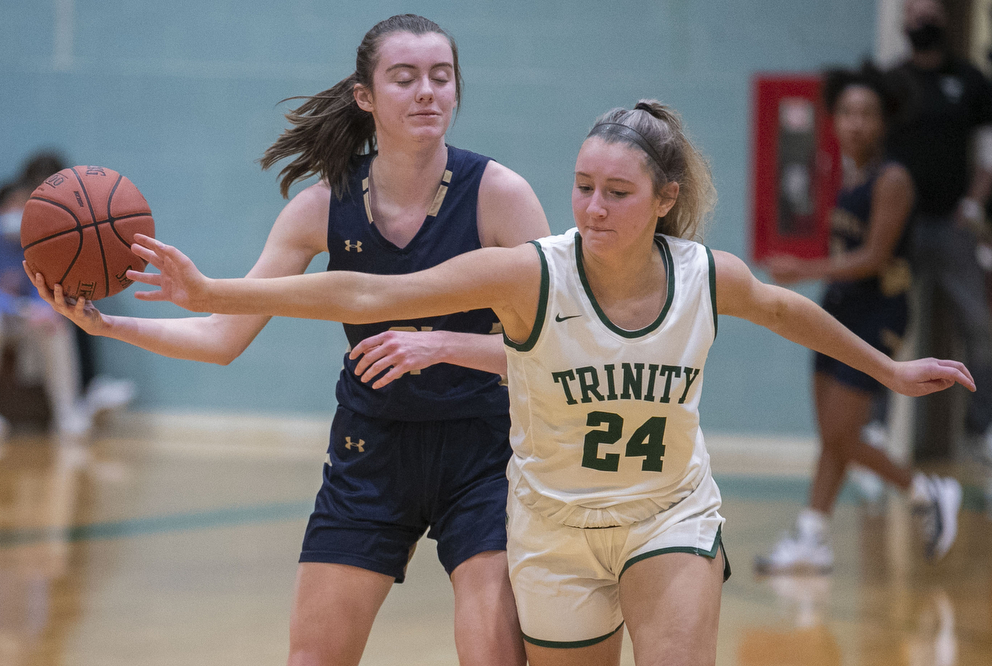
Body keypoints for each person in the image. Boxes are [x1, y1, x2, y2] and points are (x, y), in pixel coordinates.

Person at [77, 100, 974, 666]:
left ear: (665, 199)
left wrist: (890, 370)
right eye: (582, 187)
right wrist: (214, 292)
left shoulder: (707, 275)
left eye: (616, 192)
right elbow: (368, 293)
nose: (592, 208)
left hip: (667, 513)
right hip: (553, 527)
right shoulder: (531, 273)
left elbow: (785, 310)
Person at [27, 14, 548, 666]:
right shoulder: (321, 206)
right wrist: (108, 326)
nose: (427, 91)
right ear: (365, 95)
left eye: (441, 77)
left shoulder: (499, 196)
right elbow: (222, 338)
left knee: (492, 655)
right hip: (373, 447)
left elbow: (557, 350)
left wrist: (444, 346)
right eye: (405, 77)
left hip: (484, 450)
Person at [756, 64, 963, 575]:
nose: (855, 123)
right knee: (832, 434)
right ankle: (812, 537)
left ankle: (926, 490)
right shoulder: (850, 176)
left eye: (867, 113)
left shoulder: (893, 179)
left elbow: (873, 257)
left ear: (883, 121)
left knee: (844, 435)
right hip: (841, 306)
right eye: (847, 112)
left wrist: (803, 270)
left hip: (878, 312)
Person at [886, 0, 992, 461]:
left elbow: (987, 150)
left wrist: (972, 204)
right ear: (903, 21)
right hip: (901, 229)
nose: (921, 22)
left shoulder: (970, 81)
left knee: (978, 324)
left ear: (944, 19)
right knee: (886, 323)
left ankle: (983, 427)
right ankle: (875, 427)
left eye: (929, 14)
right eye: (913, 14)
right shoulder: (892, 81)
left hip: (953, 226)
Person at [0, 176, 90, 439]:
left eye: (24, 206)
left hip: (27, 319)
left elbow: (45, 283)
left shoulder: (39, 241)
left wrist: (44, 308)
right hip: (2, 315)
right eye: (12, 204)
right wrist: (18, 307)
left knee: (57, 323)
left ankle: (66, 413)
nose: (17, 211)